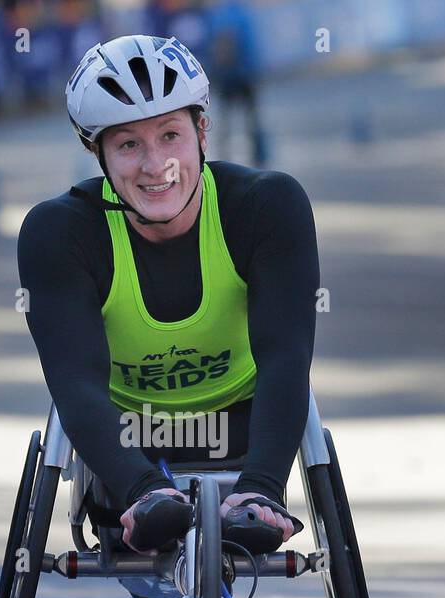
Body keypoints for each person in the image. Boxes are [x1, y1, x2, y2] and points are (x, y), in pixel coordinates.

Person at [18, 34, 318, 555]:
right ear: (100, 154)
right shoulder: (59, 232)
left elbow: (287, 361)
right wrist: (140, 488)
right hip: (127, 439)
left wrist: (264, 486)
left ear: (203, 131)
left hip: (246, 426)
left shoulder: (268, 206)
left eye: (170, 135)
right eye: (129, 144)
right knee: (150, 511)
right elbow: (75, 387)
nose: (156, 166)